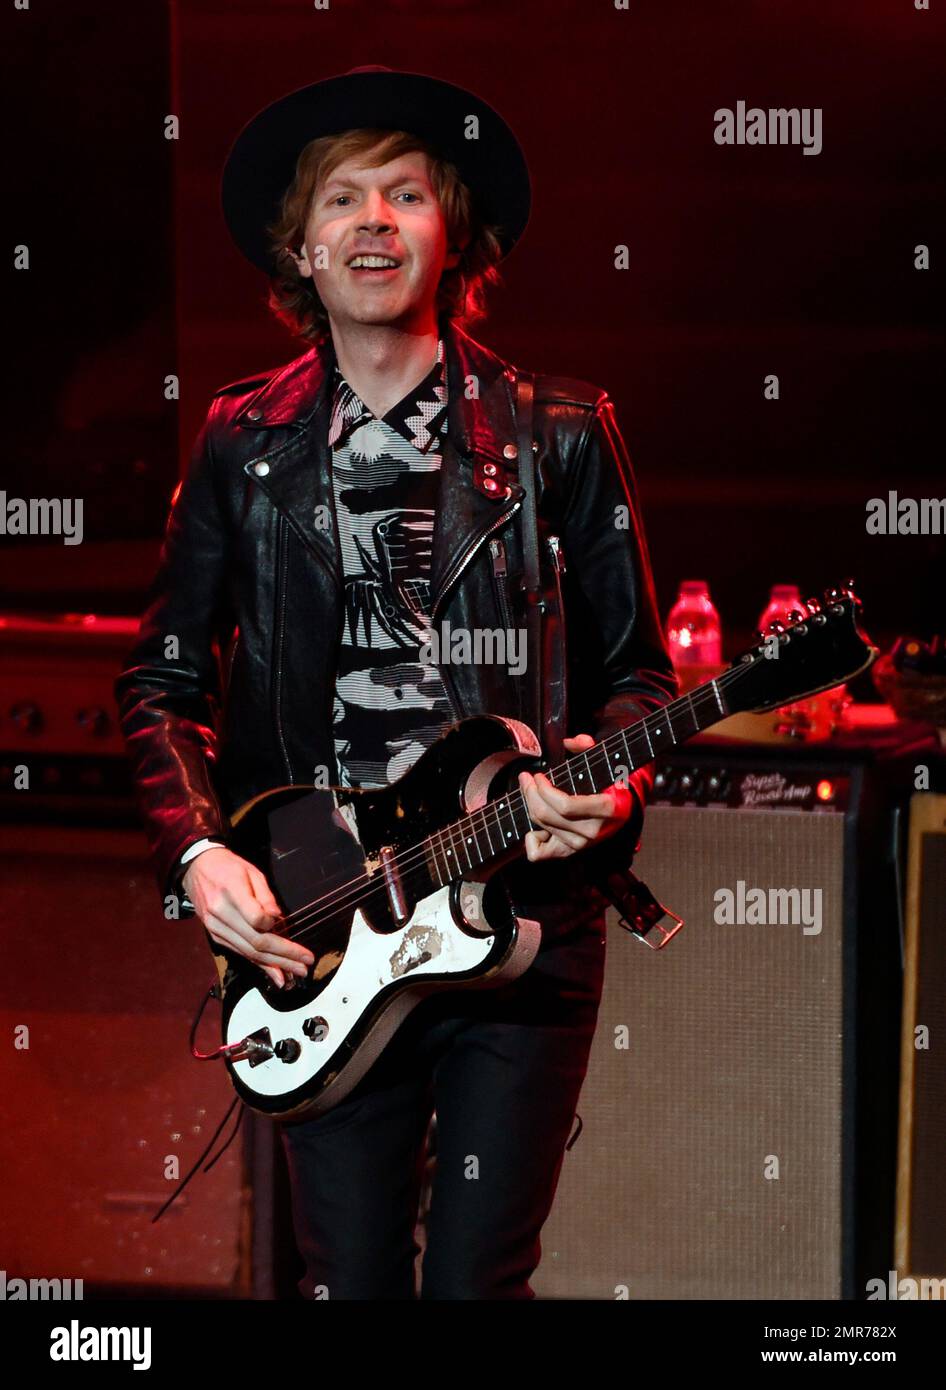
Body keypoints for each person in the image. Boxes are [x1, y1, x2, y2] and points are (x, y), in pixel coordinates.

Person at [115, 65, 678, 1300]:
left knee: (479, 1278)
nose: (373, 220)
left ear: (451, 234)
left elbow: (640, 672)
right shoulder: (239, 445)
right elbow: (159, 680)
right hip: (322, 927)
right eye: (342, 199)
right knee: (349, 1277)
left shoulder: (562, 434)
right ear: (300, 250)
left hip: (518, 917)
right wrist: (200, 853)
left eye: (406, 193)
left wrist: (613, 791)